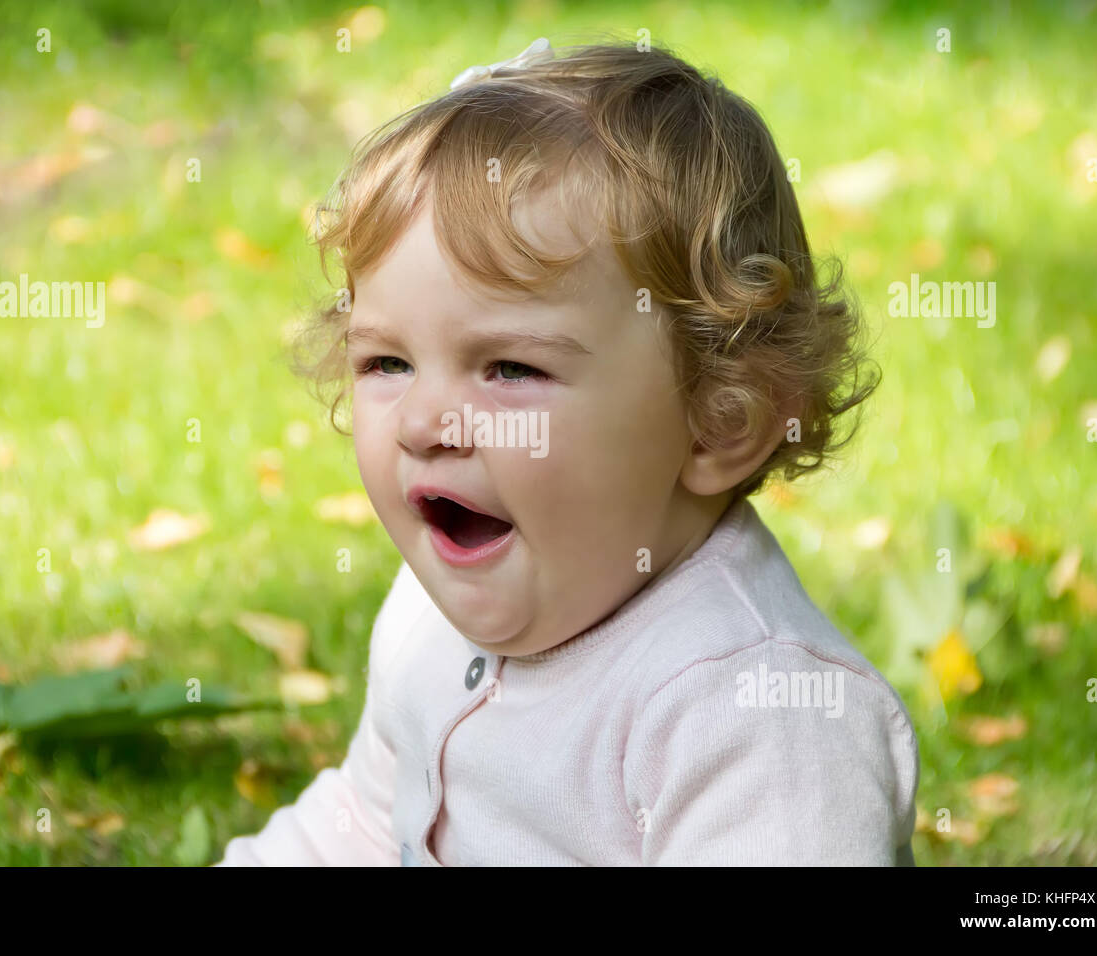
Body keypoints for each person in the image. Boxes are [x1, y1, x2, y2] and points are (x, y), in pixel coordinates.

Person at [217, 36, 918, 866]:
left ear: (721, 419)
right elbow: (362, 829)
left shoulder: (758, 720)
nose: (423, 423)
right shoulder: (427, 611)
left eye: (511, 367)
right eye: (388, 363)